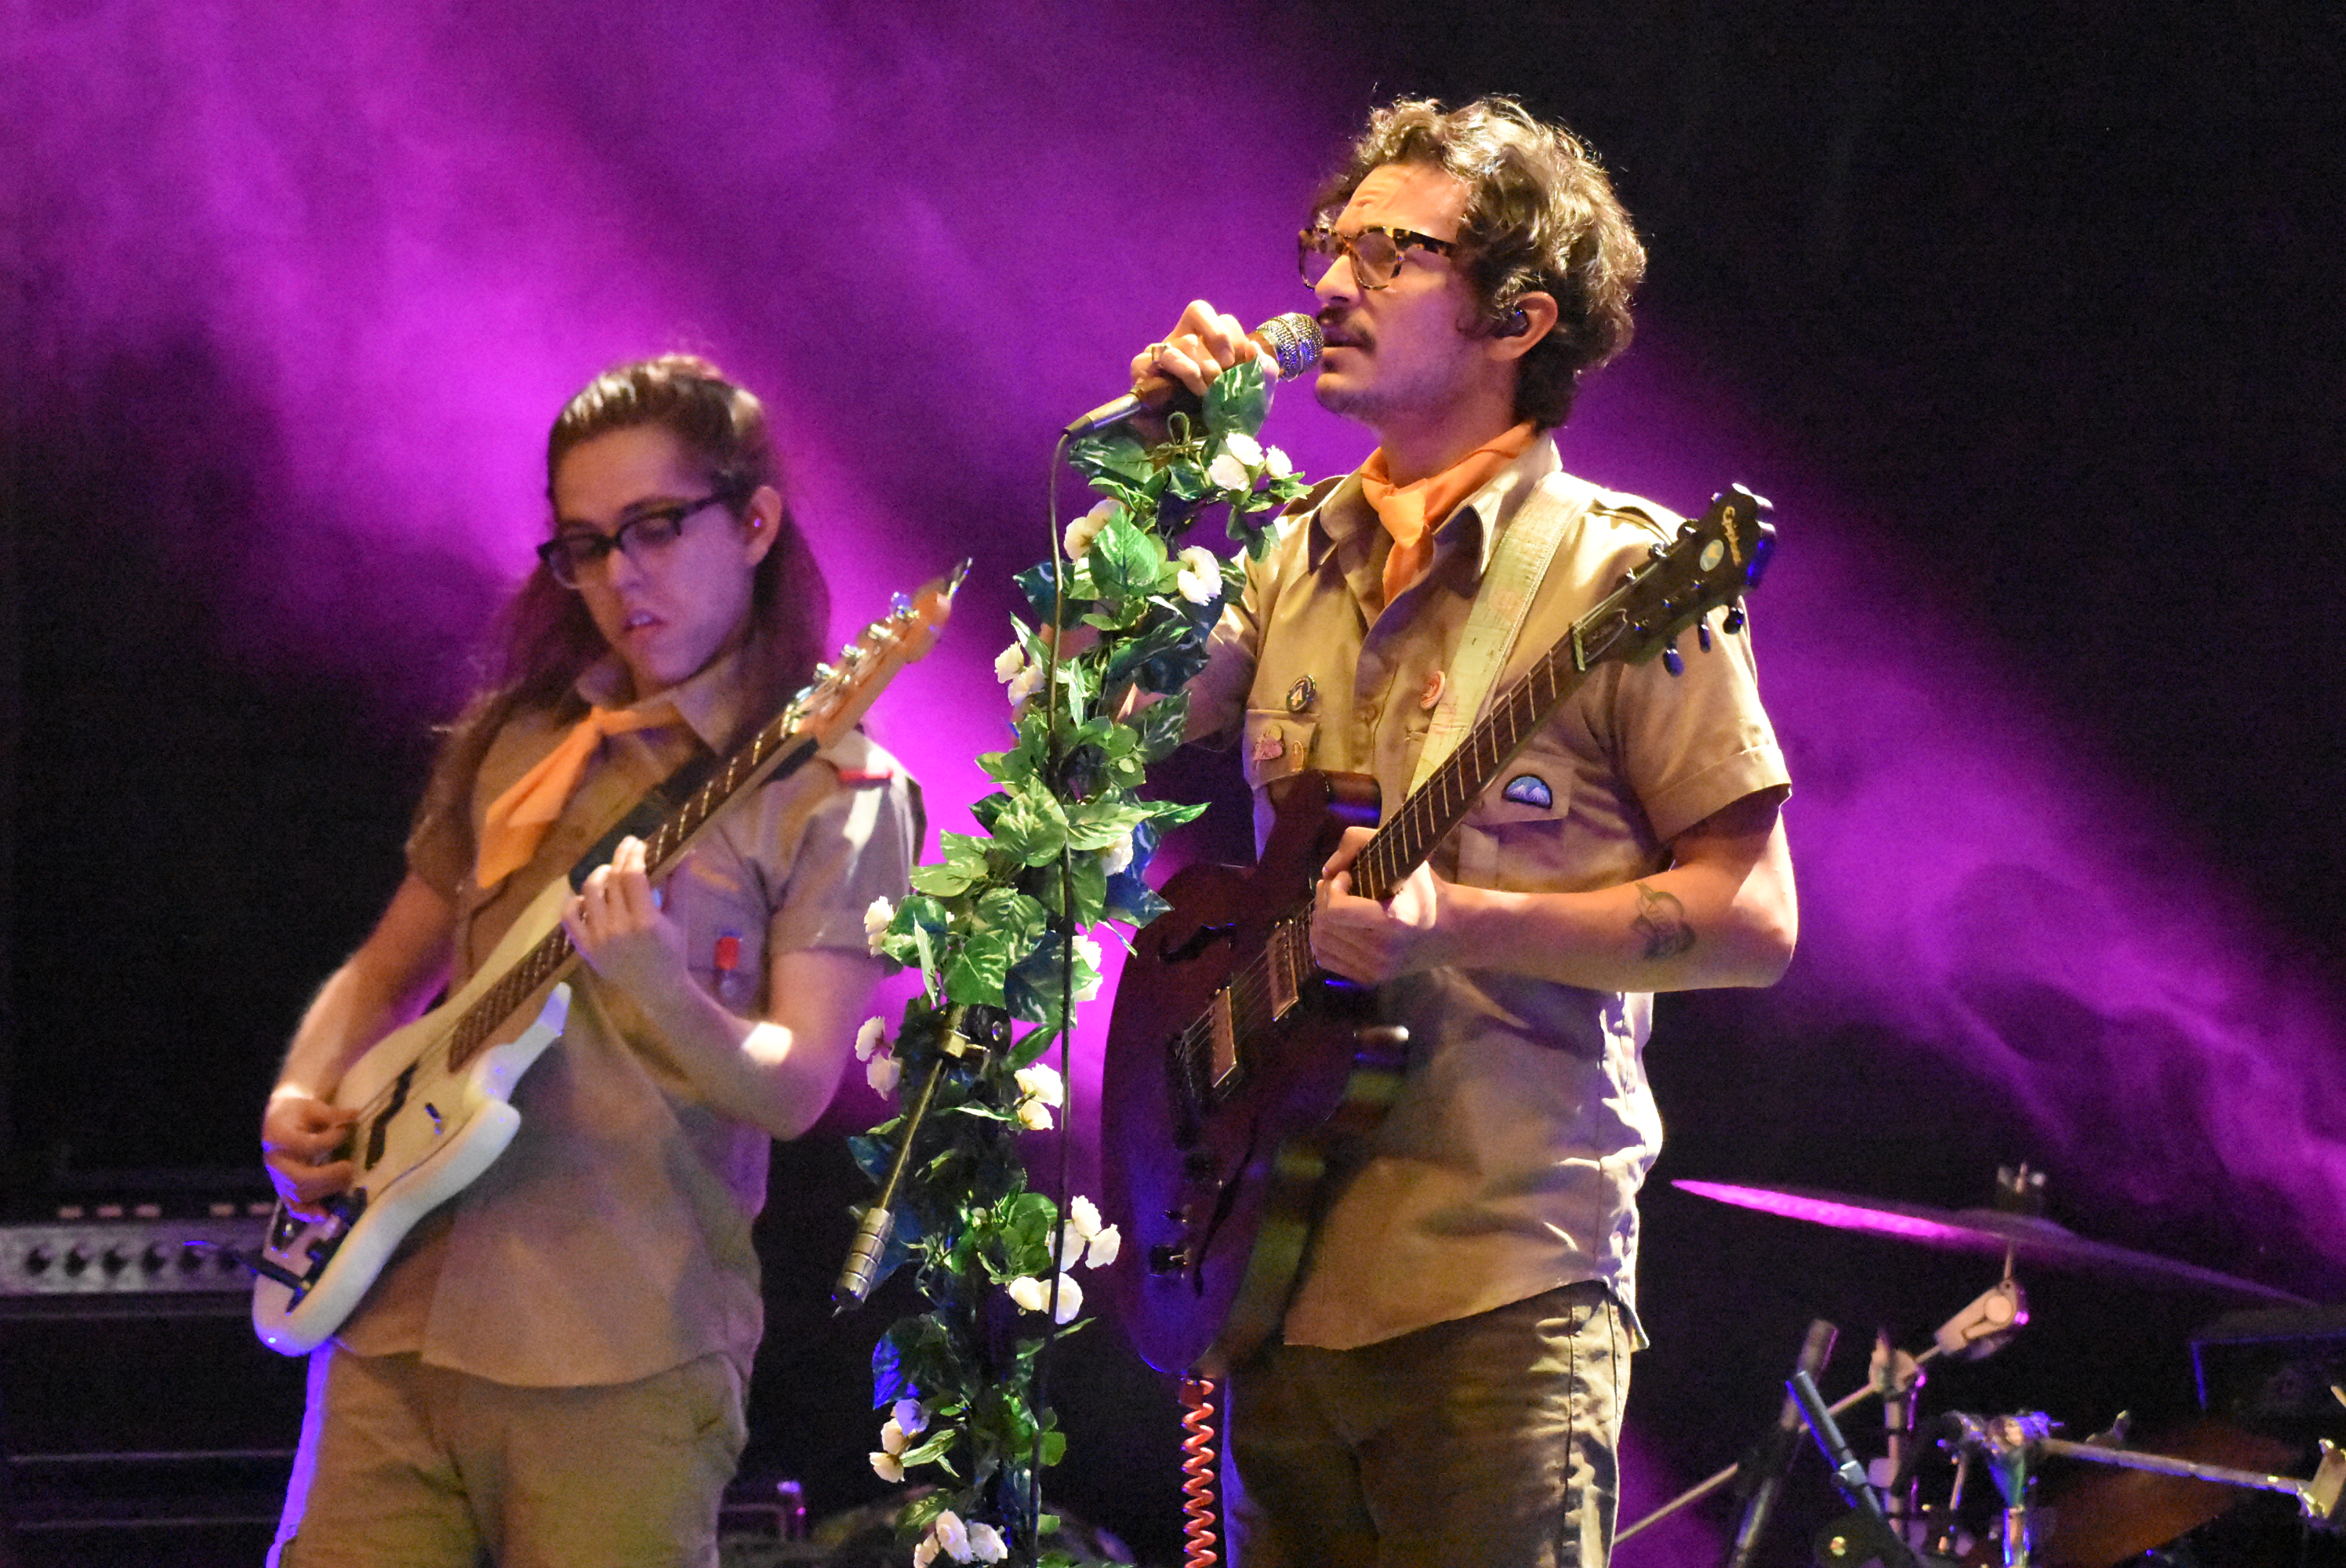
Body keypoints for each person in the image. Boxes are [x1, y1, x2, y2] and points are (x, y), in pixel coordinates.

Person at [1131, 99, 1797, 1567]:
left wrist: (1463, 922)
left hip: (1495, 1298)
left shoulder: (1623, 574)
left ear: (1519, 316)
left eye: (1390, 251)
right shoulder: (1285, 558)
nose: (1327, 286)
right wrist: (1159, 483)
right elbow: (1101, 750)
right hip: (1270, 1278)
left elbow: (1754, 922)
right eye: (1330, 243)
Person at [259, 354, 921, 1567]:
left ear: (758, 521)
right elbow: (381, 970)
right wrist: (299, 1097)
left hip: (621, 1358)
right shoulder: (521, 736)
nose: (620, 577)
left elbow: (796, 1083)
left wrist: (662, 984)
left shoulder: (839, 791)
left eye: (656, 529)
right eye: (584, 543)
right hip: (392, 1319)